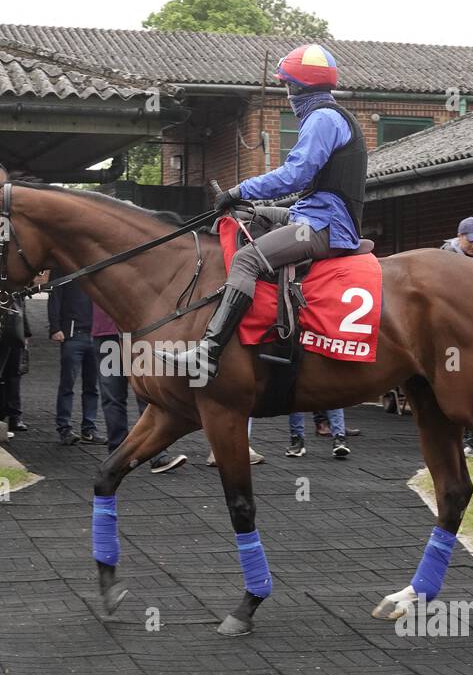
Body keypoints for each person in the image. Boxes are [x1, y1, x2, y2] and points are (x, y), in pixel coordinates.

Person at [165, 43, 368, 384]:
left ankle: (208, 352)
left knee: (247, 259)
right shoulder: (329, 115)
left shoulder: (322, 119)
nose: (286, 93)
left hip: (325, 226)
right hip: (313, 215)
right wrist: (249, 205)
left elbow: (296, 175)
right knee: (251, 216)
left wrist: (239, 190)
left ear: (298, 87)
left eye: (287, 85)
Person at [93, 299, 186, 472]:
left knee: (143, 395)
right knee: (119, 396)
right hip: (124, 331)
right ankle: (124, 454)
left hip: (130, 331)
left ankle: (149, 453)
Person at [442, 216, 473, 456]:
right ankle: (460, 439)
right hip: (450, 335)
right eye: (471, 241)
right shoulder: (446, 257)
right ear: (460, 237)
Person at [48, 277, 100, 446]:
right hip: (73, 335)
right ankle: (66, 428)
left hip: (92, 334)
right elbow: (54, 298)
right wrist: (55, 328)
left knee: (90, 386)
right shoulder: (63, 270)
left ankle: (88, 428)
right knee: (69, 385)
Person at [0, 296, 31, 436]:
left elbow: (22, 308)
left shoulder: (16, 287)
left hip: (14, 332)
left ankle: (13, 415)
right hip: (0, 332)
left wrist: (26, 333)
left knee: (13, 375)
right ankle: (2, 413)